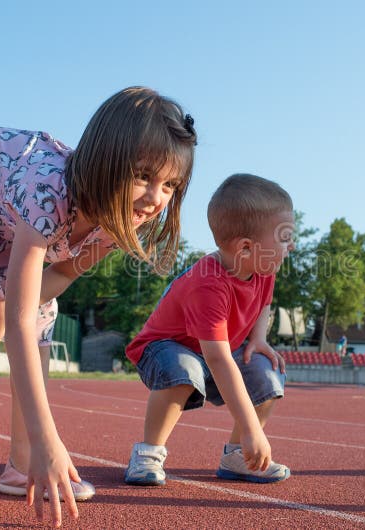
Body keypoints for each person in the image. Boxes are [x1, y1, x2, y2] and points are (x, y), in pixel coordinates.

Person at [0, 86, 197, 525]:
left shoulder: (118, 222)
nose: (155, 198)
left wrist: (9, 301)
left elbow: (55, 279)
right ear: (104, 160)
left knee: (40, 312)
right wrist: (50, 440)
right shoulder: (49, 190)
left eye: (169, 185)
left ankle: (22, 464)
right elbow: (13, 317)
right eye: (142, 176)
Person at [123, 173, 294, 486]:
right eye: (284, 237)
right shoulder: (209, 283)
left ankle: (238, 457)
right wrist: (253, 429)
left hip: (215, 350)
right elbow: (218, 359)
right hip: (165, 347)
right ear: (245, 247)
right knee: (184, 368)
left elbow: (264, 301)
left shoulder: (262, 266)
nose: (291, 245)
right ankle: (148, 453)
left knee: (265, 368)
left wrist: (259, 339)